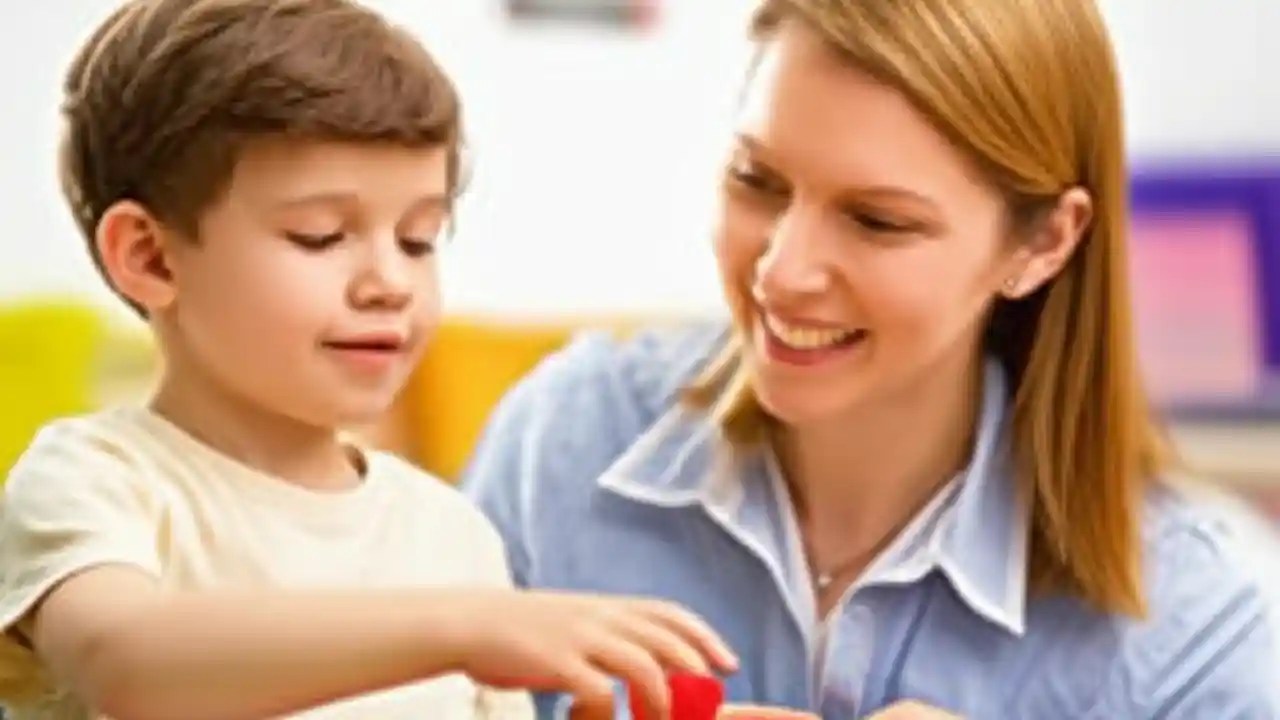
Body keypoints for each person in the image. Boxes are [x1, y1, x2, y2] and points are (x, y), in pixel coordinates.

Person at [464, 0, 1280, 717]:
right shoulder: (561, 447)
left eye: (878, 221)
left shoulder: (1194, 626)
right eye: (758, 180)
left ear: (1042, 242)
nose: (782, 271)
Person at [0, 1, 738, 718]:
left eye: (419, 239)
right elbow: (126, 667)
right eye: (321, 235)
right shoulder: (96, 484)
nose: (390, 282)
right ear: (151, 257)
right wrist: (459, 627)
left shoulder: (451, 536)